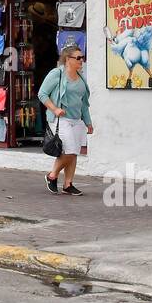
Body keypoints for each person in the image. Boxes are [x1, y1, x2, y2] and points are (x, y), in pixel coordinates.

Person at [37, 44, 92, 196]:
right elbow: (42, 94)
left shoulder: (80, 77)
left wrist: (88, 122)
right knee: (70, 151)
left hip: (77, 120)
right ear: (68, 59)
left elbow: (83, 103)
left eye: (82, 58)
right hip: (60, 119)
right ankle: (52, 175)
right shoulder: (57, 74)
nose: (82, 60)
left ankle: (68, 184)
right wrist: (55, 109)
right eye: (79, 58)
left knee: (73, 152)